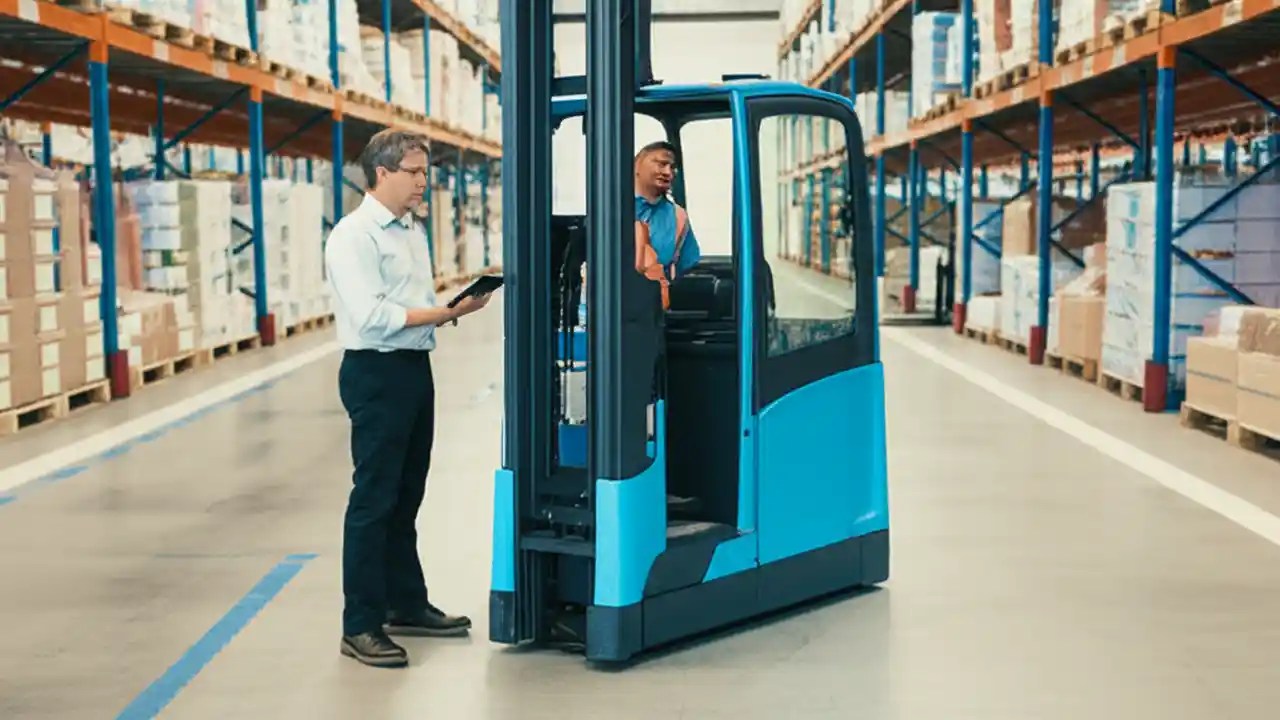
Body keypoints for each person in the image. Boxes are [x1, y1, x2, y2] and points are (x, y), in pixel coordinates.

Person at [324, 129, 493, 669]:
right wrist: (448, 315)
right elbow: (373, 315)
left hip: (414, 367)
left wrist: (445, 308)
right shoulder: (353, 236)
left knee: (407, 494)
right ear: (382, 174)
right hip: (375, 372)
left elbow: (410, 302)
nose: (424, 182)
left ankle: (406, 603)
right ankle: (361, 625)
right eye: (415, 173)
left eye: (425, 172)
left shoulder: (411, 231)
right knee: (374, 500)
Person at [634, 140, 702, 280]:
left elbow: (687, 267)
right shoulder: (608, 207)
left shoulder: (678, 216)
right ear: (637, 166)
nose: (668, 172)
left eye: (672, 167)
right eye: (662, 164)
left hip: (654, 298)